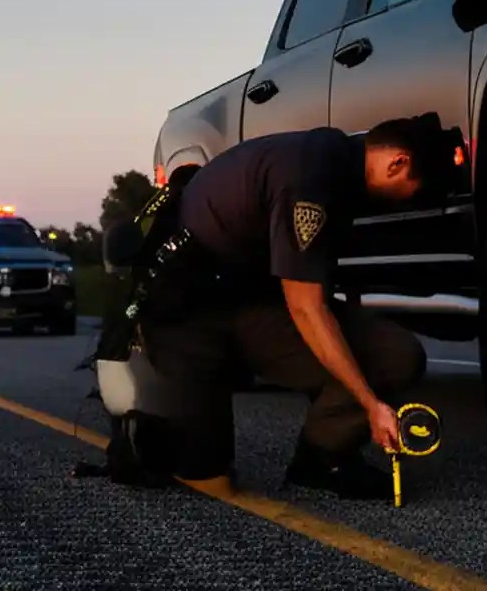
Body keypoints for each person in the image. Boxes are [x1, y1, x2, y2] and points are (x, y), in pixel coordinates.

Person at [134, 114, 455, 499]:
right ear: (397, 163)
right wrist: (371, 405)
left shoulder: (339, 162)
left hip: (253, 300)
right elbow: (306, 309)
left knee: (394, 355)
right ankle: (160, 414)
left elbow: (319, 287)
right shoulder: (311, 179)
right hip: (189, 312)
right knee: (207, 480)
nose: (415, 199)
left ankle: (323, 457)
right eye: (418, 189)